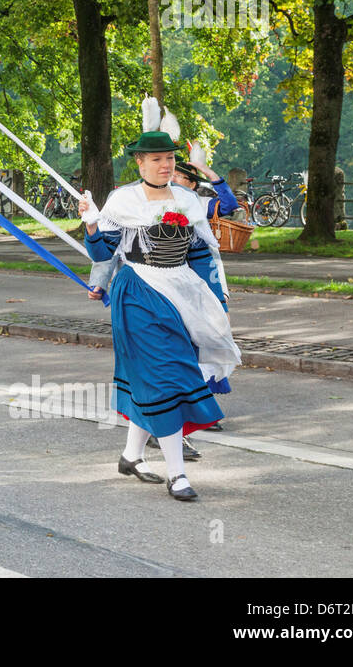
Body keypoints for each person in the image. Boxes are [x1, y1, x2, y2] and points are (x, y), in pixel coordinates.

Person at [78, 116, 241, 502]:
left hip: (182, 292)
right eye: (156, 160)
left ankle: (131, 455)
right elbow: (104, 253)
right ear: (139, 163)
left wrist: (212, 299)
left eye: (168, 158)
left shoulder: (187, 200)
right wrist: (91, 226)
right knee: (165, 374)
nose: (165, 165)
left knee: (157, 377)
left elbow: (201, 252)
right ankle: (177, 474)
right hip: (138, 293)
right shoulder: (123, 201)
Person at [172, 158, 241, 221]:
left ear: (192, 185)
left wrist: (211, 174)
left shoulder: (201, 203)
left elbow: (230, 205)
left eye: (179, 176)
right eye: (171, 175)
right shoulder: (162, 197)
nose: (172, 179)